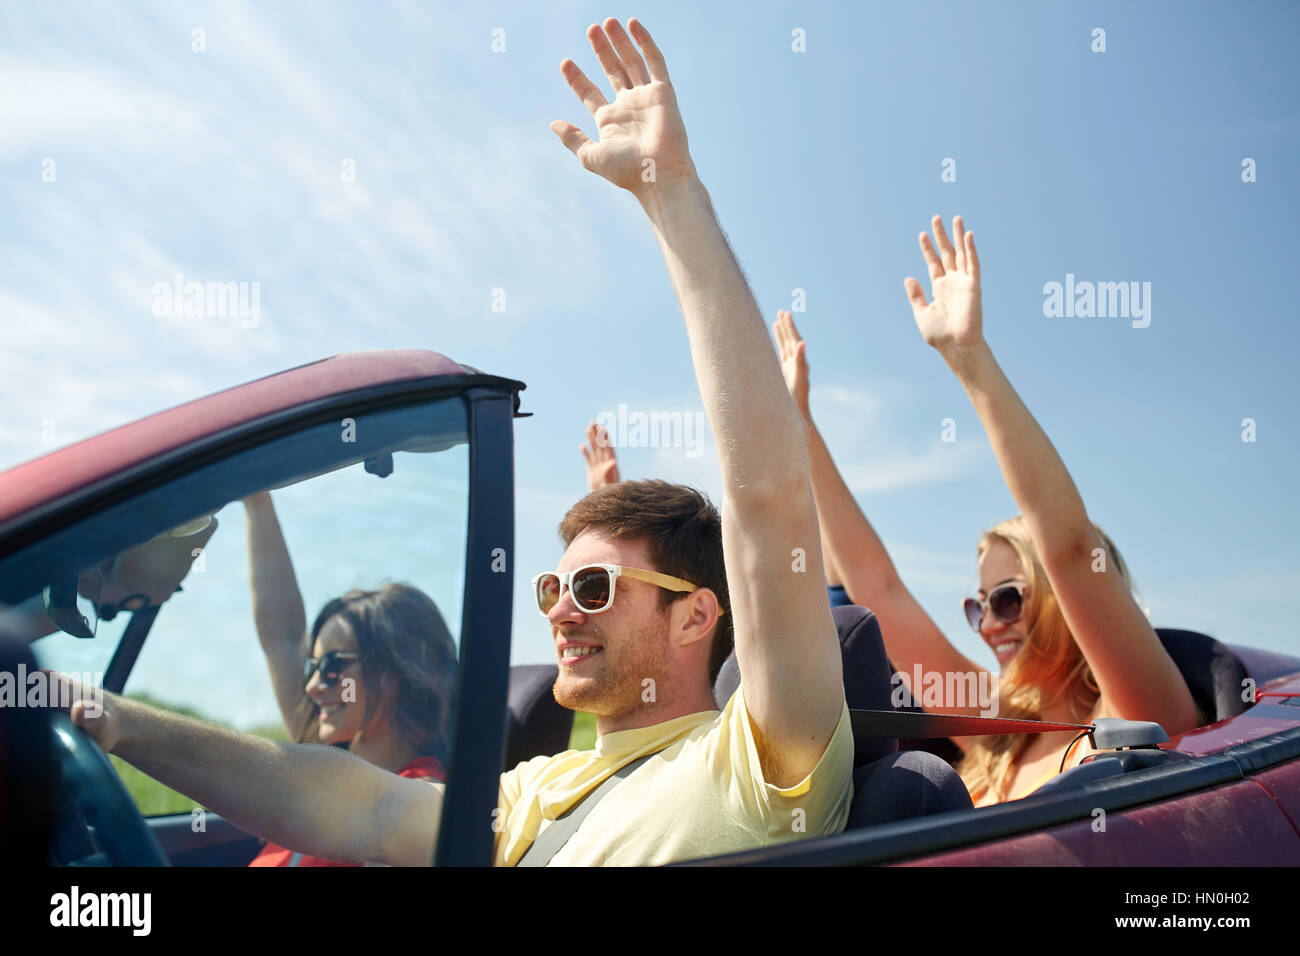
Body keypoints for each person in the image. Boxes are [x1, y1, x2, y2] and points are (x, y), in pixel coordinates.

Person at [58, 17, 853, 866]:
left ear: (697, 613)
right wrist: (101, 717)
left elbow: (768, 503)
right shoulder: (536, 790)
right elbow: (351, 807)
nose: (555, 607)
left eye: (591, 586)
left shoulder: (760, 759)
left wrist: (672, 193)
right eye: (554, 583)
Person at [768, 217, 1201, 806]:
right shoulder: (994, 726)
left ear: (1062, 595)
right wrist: (802, 427)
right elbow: (880, 589)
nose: (990, 624)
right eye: (978, 606)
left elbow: (1071, 548)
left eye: (1008, 598)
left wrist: (968, 359)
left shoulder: (1138, 710)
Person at [241, 491, 457, 865]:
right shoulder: (324, 761)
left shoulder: (417, 802)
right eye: (313, 667)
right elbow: (282, 639)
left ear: (394, 673)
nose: (312, 686)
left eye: (332, 667)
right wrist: (256, 500)